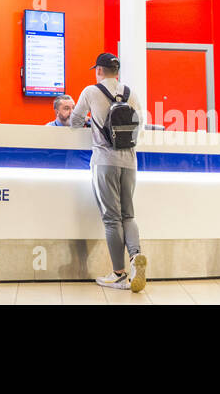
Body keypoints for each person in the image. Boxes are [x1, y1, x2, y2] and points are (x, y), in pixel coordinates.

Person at [70, 52, 147, 292]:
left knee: (112, 219)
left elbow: (74, 121)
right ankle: (135, 257)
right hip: (130, 162)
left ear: (99, 70)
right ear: (118, 72)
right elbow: (140, 125)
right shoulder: (131, 93)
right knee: (128, 215)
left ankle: (119, 274)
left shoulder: (90, 91)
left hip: (104, 161)